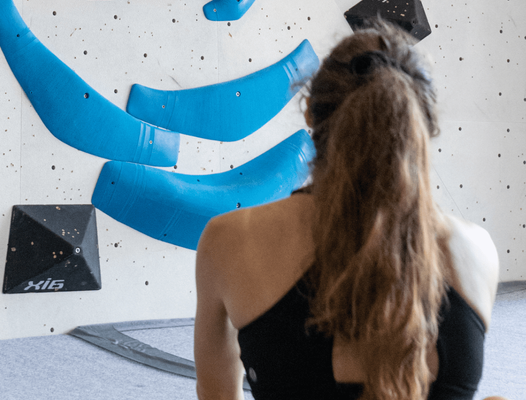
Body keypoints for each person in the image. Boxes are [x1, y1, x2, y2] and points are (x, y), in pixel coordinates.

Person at [193, 20, 505, 400]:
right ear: (423, 125)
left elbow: (216, 391)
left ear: (309, 113)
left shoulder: (229, 240)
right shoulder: (477, 251)